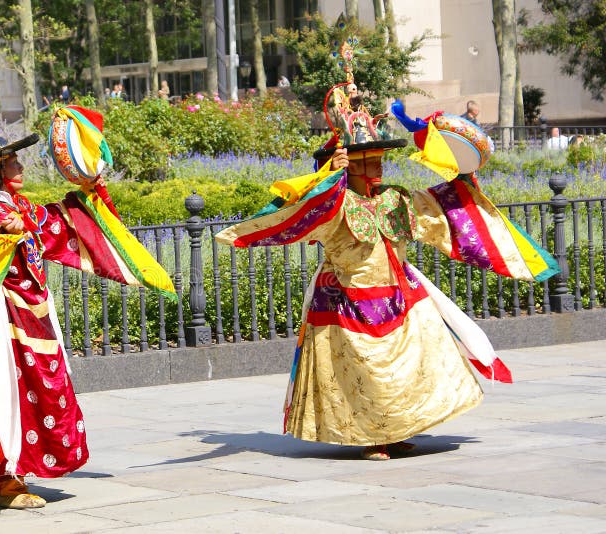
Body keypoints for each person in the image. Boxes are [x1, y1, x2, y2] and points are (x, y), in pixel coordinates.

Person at [215, 59, 559, 461]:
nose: (377, 165)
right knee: (366, 370)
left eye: (378, 157)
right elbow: (301, 211)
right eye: (367, 159)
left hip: (400, 293)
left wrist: (457, 166)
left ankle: (398, 430)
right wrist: (331, 177)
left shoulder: (397, 198)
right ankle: (372, 438)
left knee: (414, 362)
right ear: (349, 164)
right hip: (348, 298)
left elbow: (443, 208)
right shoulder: (335, 204)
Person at [0, 48, 175, 508]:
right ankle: (7, 479)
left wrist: (89, 191)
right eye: (14, 163)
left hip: (31, 314)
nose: (21, 167)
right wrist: (6, 233)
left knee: (27, 387)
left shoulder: (21, 209)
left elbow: (60, 222)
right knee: (6, 388)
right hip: (2, 319)